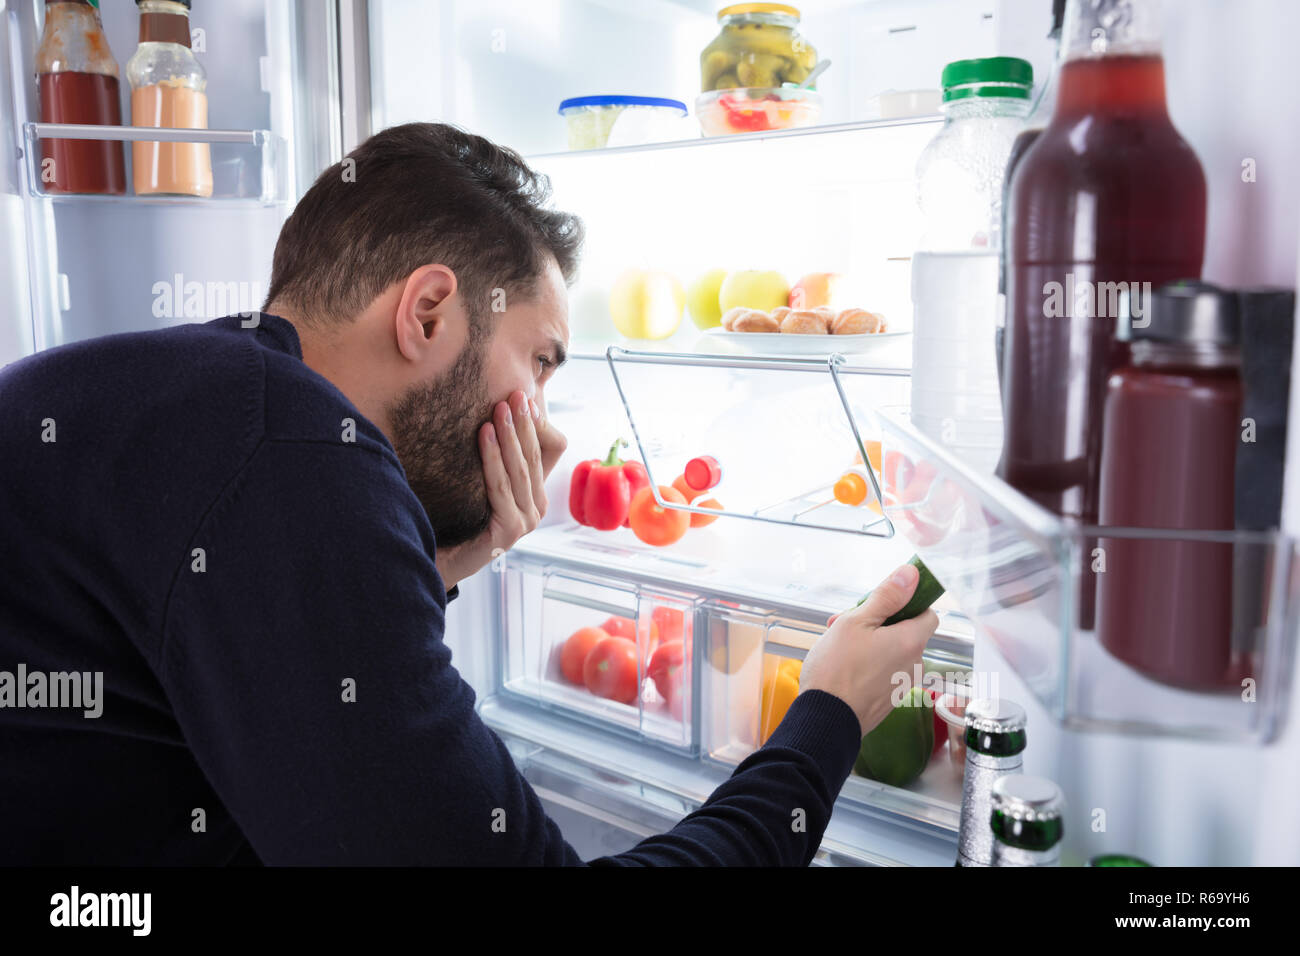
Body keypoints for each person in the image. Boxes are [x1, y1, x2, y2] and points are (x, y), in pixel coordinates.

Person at [0, 123, 938, 865]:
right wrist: (826, 719)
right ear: (429, 312)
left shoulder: (214, 398)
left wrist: (447, 557)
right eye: (539, 362)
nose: (549, 426)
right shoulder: (293, 451)